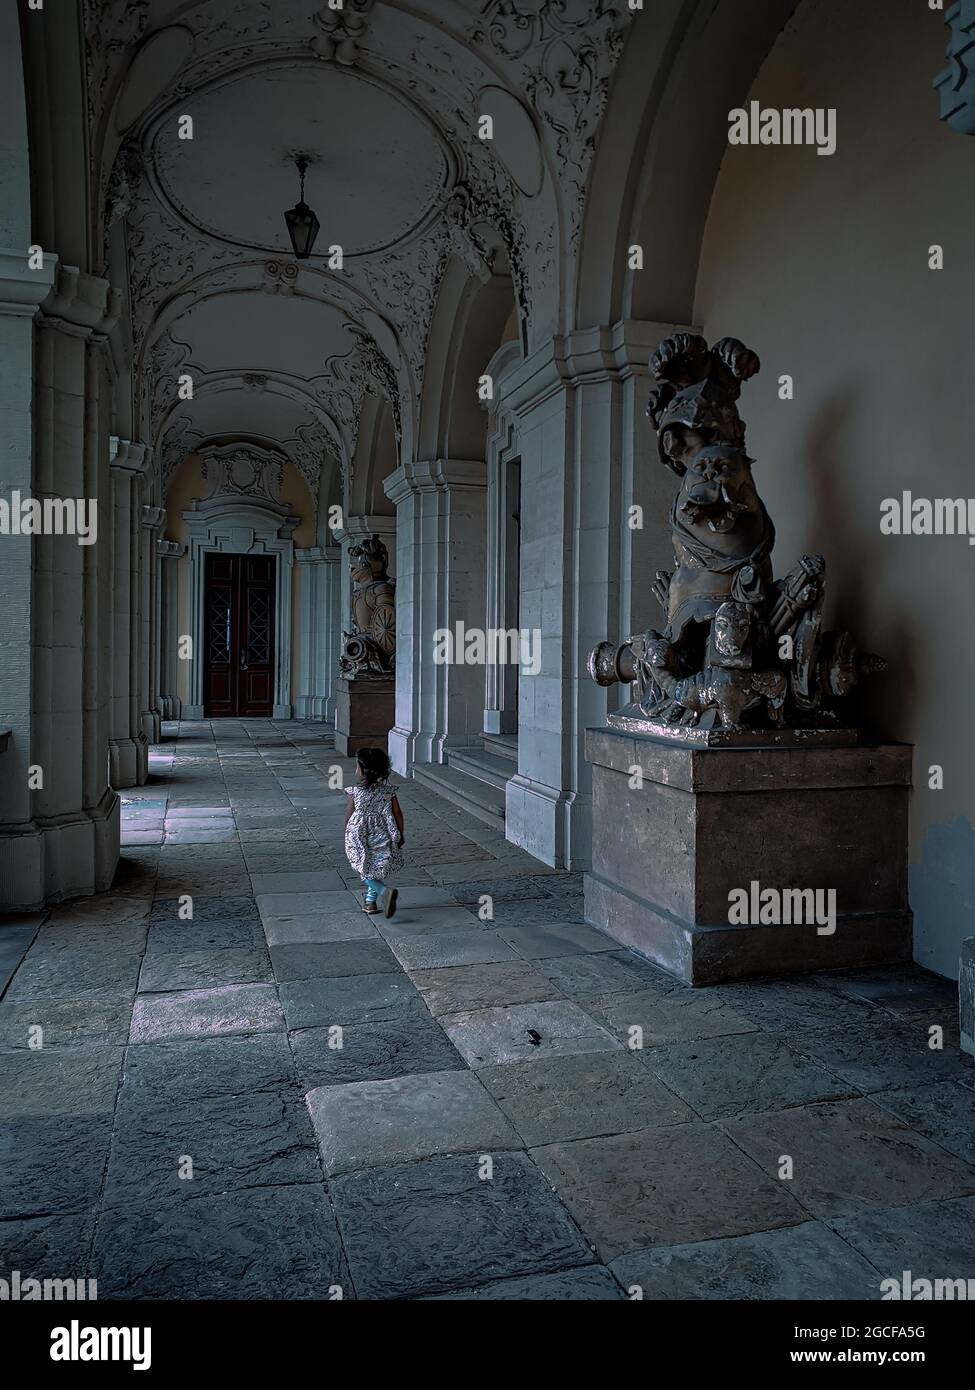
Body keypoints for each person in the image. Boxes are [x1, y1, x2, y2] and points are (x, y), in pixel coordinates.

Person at [343, 747, 404, 916]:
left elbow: (349, 814)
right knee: (374, 866)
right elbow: (398, 813)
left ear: (362, 770)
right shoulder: (388, 791)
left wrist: (346, 831)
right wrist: (400, 833)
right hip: (381, 832)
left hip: (359, 835)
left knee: (363, 867)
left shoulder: (355, 792)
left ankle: (385, 892)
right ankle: (370, 903)